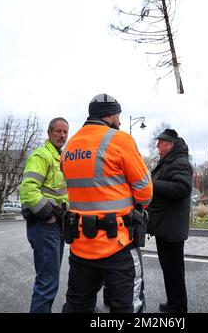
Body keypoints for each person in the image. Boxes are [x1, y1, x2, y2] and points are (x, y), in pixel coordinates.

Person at [61, 93, 153, 313]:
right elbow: (145, 193)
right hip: (117, 243)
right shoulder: (120, 139)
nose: (120, 121)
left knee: (77, 305)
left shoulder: (70, 145)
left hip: (80, 244)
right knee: (126, 307)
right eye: (118, 116)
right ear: (110, 115)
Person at [19, 117, 69, 313]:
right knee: (47, 283)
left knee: (51, 280)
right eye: (58, 131)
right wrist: (48, 215)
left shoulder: (60, 157)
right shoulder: (41, 156)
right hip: (45, 225)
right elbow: (28, 190)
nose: (62, 135)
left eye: (65, 132)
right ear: (49, 133)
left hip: (57, 226)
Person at [147, 128, 192, 313]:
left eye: (161, 142)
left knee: (173, 270)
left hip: (171, 226)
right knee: (169, 268)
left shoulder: (179, 162)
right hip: (165, 224)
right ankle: (174, 302)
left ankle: (178, 307)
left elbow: (182, 188)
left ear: (170, 145)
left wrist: (152, 185)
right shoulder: (169, 161)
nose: (157, 145)